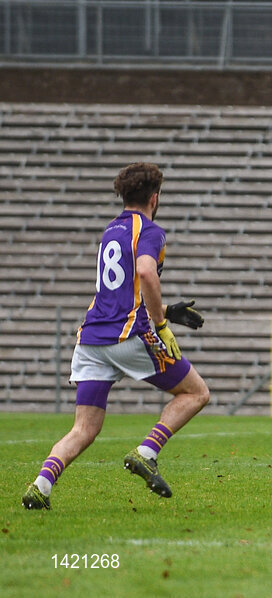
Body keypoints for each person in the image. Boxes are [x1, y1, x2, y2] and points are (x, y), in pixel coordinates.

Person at [21, 162, 210, 510]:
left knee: (84, 429)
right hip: (128, 337)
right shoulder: (150, 230)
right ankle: (146, 452)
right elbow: (145, 273)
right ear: (154, 198)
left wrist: (167, 310)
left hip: (92, 339)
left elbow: (122, 291)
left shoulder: (112, 230)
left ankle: (40, 486)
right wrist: (161, 324)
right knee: (196, 393)